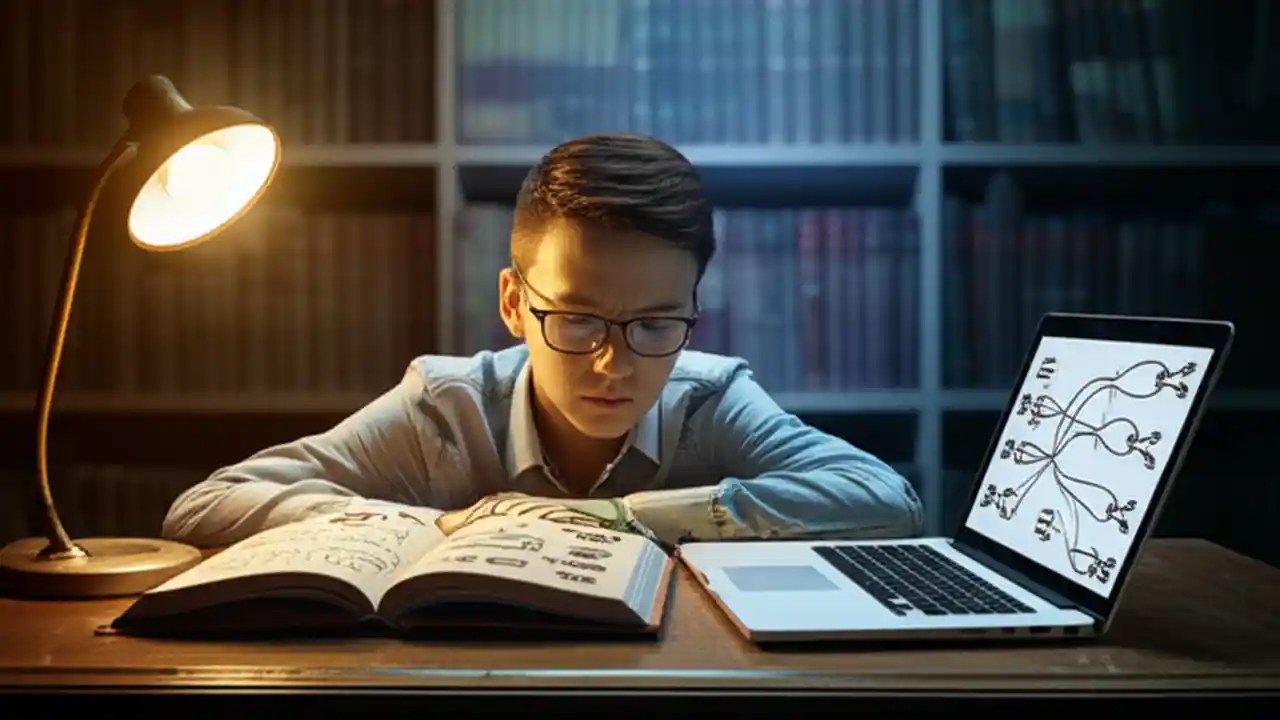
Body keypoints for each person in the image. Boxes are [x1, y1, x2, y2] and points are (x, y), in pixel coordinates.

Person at [161, 132, 924, 549]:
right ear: (513, 305)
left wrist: (620, 521)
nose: (613, 362)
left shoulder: (712, 398)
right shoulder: (446, 409)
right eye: (578, 319)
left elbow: (886, 500)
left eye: (656, 324)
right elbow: (208, 504)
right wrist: (447, 527)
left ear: (695, 313)